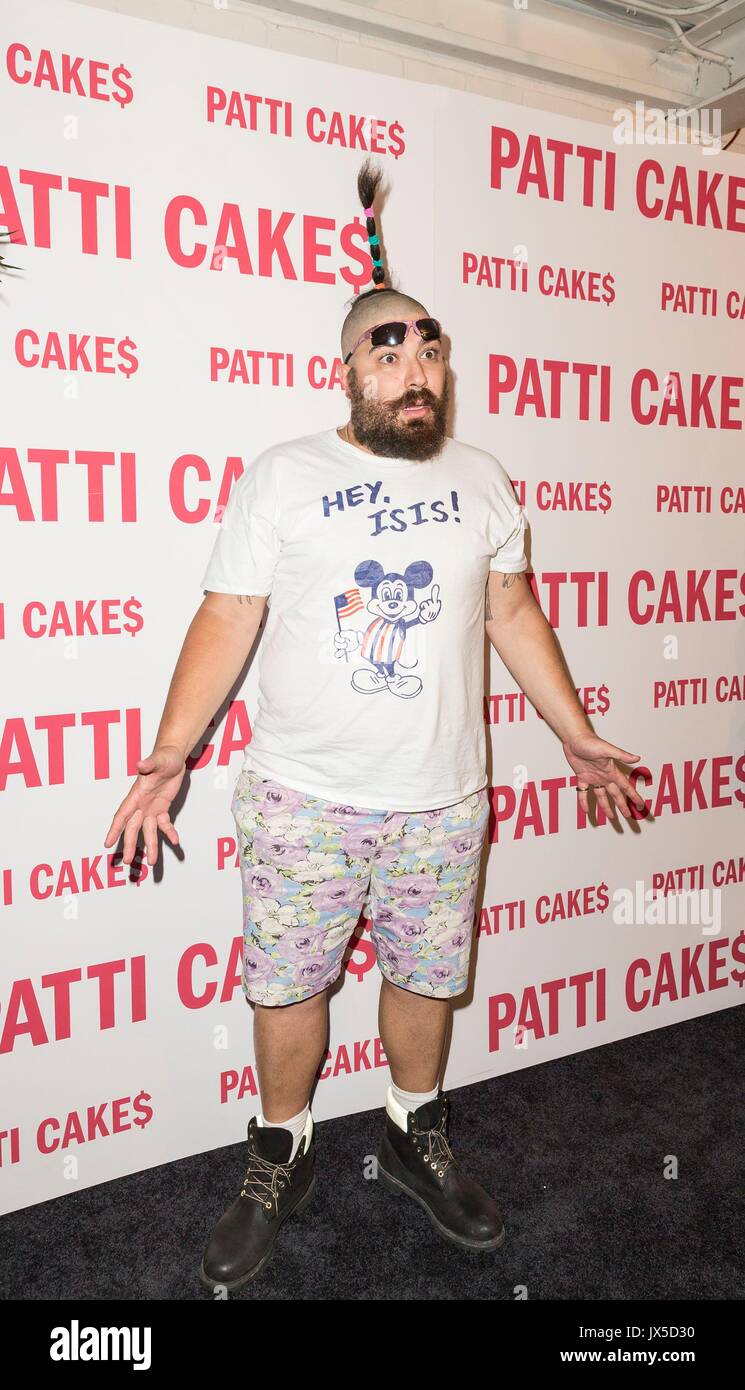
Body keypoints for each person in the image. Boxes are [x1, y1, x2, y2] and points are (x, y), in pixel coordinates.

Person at [103, 160, 645, 1293]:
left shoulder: (487, 481)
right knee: (288, 987)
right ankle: (281, 1149)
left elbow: (509, 609)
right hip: (303, 795)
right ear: (345, 370)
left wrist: (576, 731)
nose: (413, 368)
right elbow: (227, 614)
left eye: (428, 348)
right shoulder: (285, 476)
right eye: (387, 348)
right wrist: (169, 751)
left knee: (424, 979)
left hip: (442, 798)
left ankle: (410, 1131)